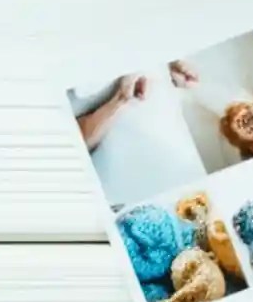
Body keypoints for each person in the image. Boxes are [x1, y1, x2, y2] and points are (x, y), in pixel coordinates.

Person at [68, 60, 207, 207]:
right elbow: (76, 141)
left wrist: (169, 71)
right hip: (127, 186)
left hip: (183, 170)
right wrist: (121, 99)